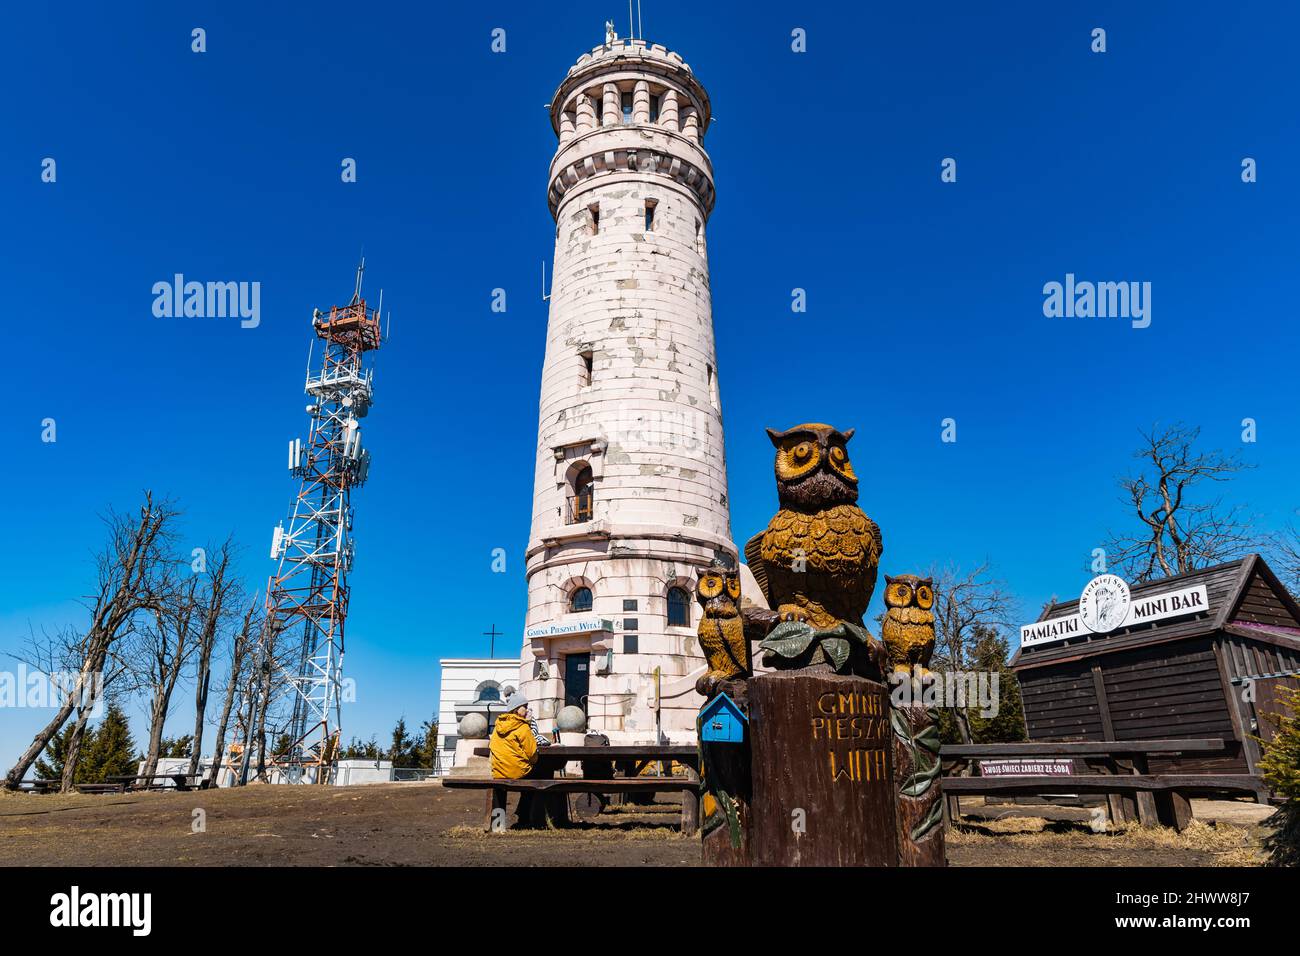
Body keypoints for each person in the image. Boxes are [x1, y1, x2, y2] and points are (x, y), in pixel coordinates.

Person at [490, 692, 543, 779]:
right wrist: (528, 724)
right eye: (525, 707)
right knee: (542, 769)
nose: (527, 710)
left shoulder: (498, 725)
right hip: (517, 773)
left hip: (498, 773)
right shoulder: (522, 726)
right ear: (516, 709)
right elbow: (532, 754)